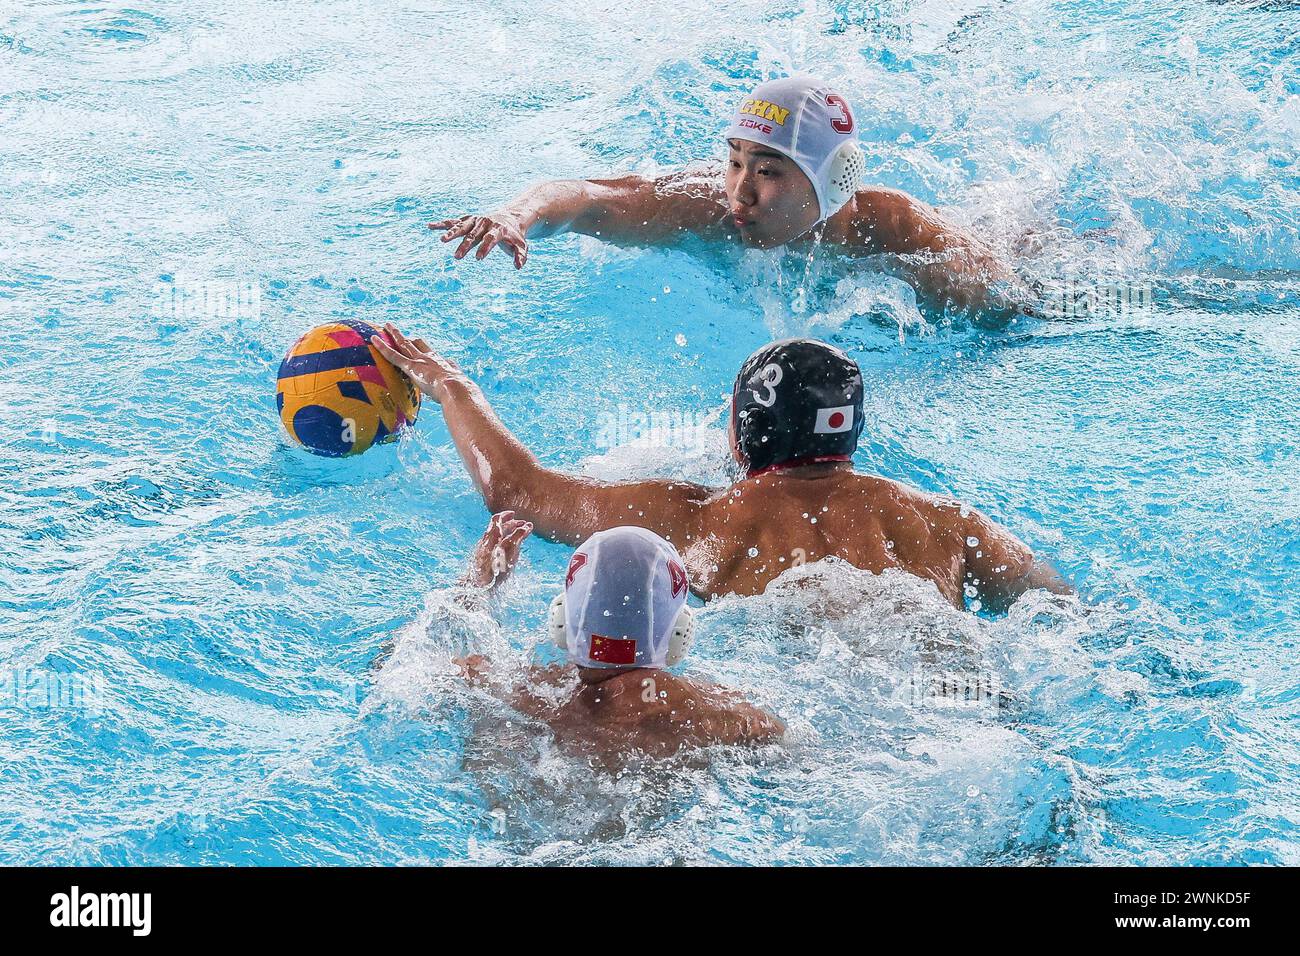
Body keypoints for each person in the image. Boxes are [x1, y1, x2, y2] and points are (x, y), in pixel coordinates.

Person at [373, 324, 1074, 613]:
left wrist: (452, 386)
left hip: (808, 713)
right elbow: (1060, 602)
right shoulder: (947, 520)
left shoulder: (694, 517)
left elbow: (516, 492)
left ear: (741, 432)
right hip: (949, 694)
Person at [429, 74, 1034, 322]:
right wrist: (515, 215)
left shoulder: (902, 234)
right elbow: (593, 197)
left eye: (768, 170)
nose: (739, 193)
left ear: (833, 180)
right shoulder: (706, 205)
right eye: (734, 161)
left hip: (1001, 247)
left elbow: (1012, 313)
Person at [451, 512, 785, 761]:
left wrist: (477, 587)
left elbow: (422, 657)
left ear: (562, 620)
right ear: (678, 634)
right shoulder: (719, 715)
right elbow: (793, 748)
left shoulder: (522, 692)